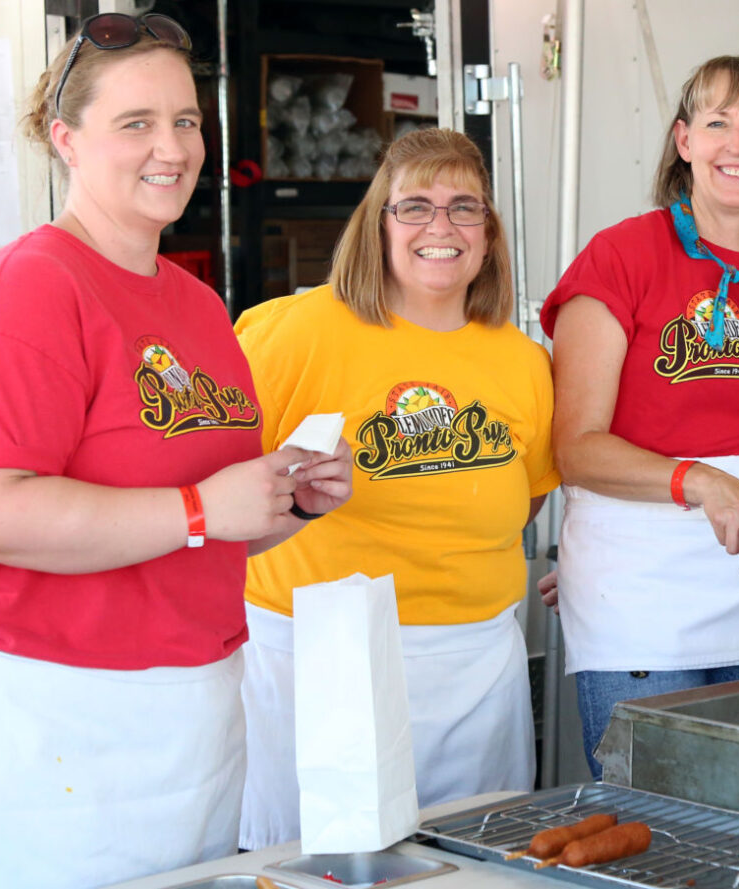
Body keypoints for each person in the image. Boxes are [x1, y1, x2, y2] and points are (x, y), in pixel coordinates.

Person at [0, 14, 351, 889]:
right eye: (137, 123)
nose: (173, 146)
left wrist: (281, 501)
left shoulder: (194, 304)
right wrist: (201, 509)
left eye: (187, 120)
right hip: (43, 725)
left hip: (189, 724)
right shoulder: (29, 287)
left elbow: (197, 524)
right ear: (65, 139)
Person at [234, 127, 560, 849]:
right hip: (317, 656)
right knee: (311, 862)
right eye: (414, 206)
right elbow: (214, 473)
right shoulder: (296, 332)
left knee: (472, 862)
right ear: (376, 224)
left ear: (488, 232)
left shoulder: (523, 361)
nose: (439, 227)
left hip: (475, 664)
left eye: (463, 208)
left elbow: (526, 496)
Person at [540, 55, 739, 779]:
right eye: (717, 124)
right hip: (638, 603)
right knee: (658, 830)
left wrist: (722, 483)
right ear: (684, 141)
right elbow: (575, 447)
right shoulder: (620, 258)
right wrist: (698, 481)